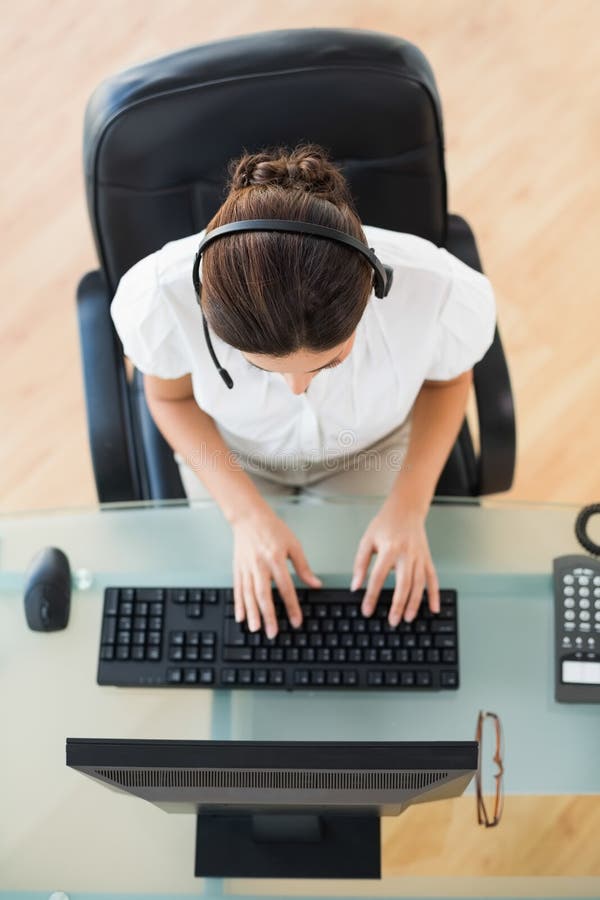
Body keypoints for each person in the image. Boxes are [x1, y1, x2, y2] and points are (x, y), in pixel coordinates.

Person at [110, 143, 496, 639]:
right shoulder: (163, 295)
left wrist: (408, 507)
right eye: (261, 368)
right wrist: (245, 516)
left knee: (363, 621)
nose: (297, 390)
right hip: (232, 457)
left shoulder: (434, 288)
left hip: (369, 454)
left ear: (370, 296)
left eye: (330, 362)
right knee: (238, 620)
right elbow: (168, 398)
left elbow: (448, 384)